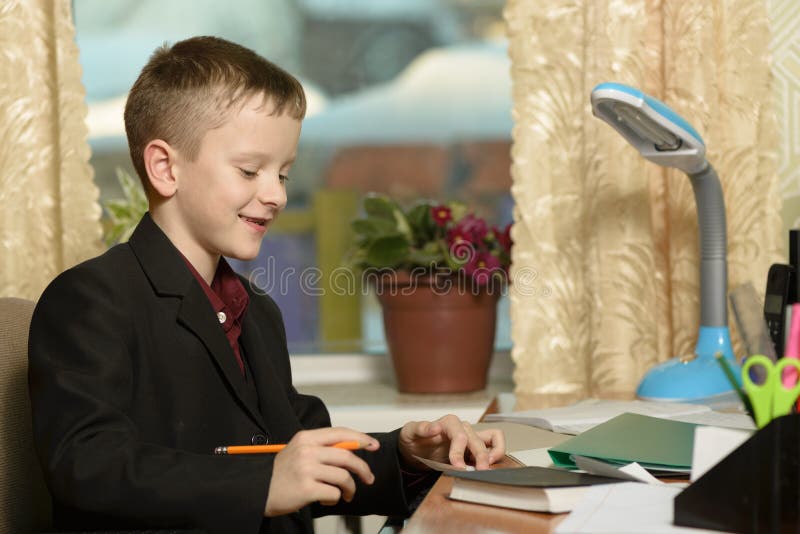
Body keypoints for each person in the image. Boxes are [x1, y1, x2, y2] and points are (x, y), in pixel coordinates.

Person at [28, 36, 505, 534]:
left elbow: (303, 453)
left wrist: (406, 453)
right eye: (250, 170)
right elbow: (88, 467)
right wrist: (263, 483)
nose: (276, 194)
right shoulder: (88, 301)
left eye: (284, 173)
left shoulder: (255, 311)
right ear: (165, 167)